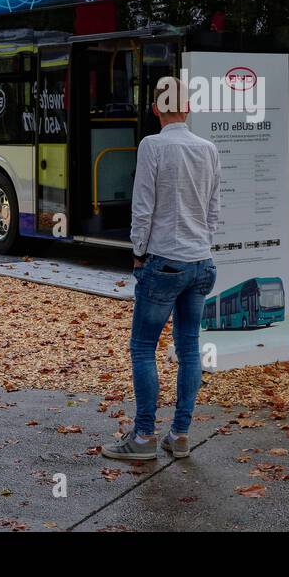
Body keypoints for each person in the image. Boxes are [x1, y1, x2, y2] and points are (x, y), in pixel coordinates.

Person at [102, 76, 220, 462]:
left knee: (142, 348)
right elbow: (213, 210)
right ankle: (181, 435)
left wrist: (138, 252)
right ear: (188, 108)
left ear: (156, 109)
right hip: (201, 262)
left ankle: (143, 437)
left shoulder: (152, 146)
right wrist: (202, 244)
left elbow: (144, 206)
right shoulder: (209, 149)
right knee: (188, 349)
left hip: (163, 262)